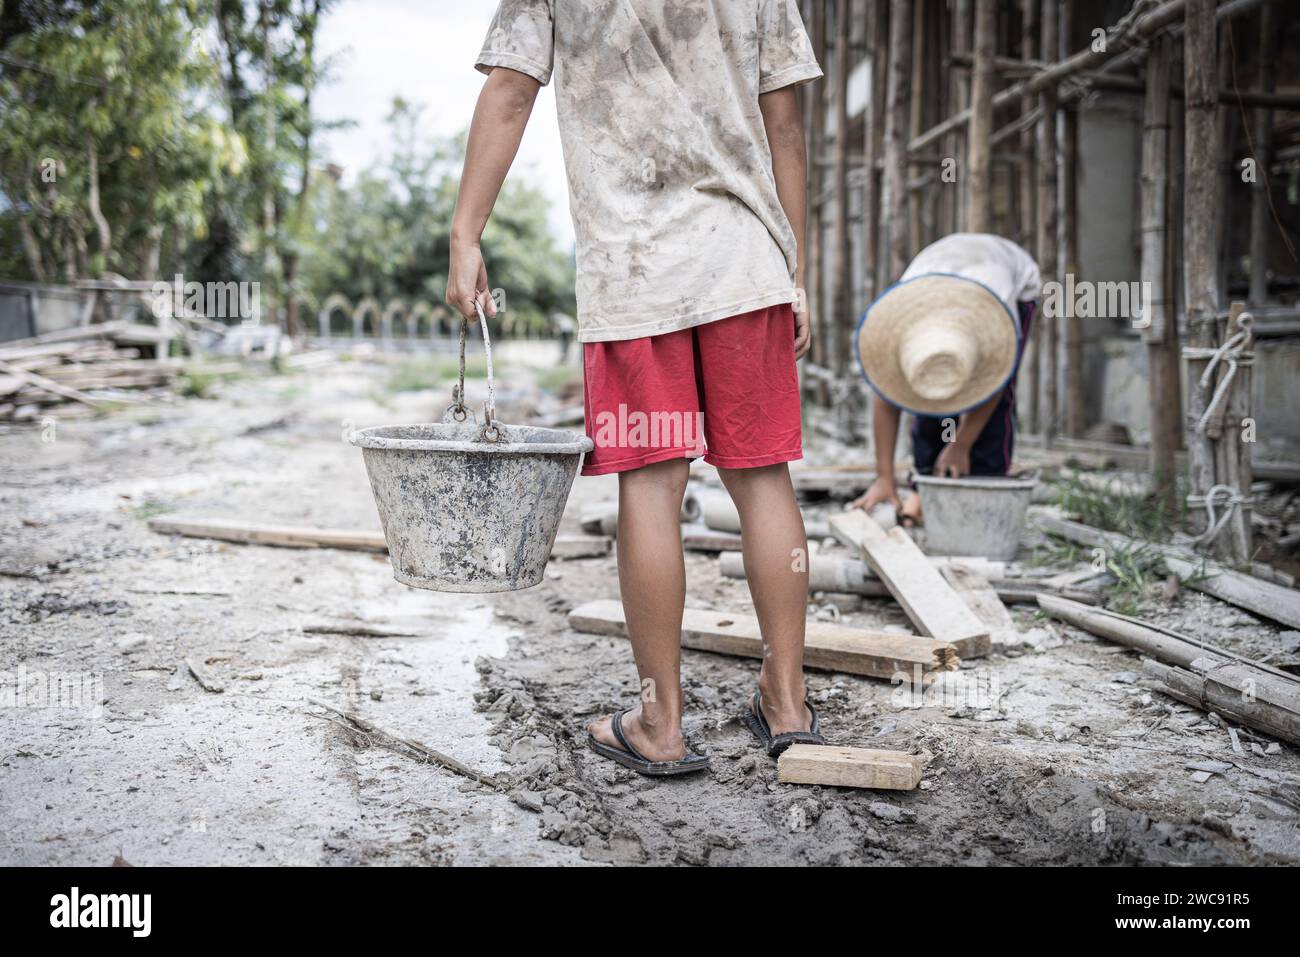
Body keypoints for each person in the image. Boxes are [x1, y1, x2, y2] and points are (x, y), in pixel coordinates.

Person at [446, 1, 826, 774]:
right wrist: (794, 270)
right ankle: (787, 702)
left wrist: (465, 232)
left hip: (635, 267)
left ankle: (660, 720)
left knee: (652, 485)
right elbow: (783, 122)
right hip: (745, 260)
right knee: (762, 479)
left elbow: (512, 90)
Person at [850, 233, 1041, 524]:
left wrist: (961, 445)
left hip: (1005, 276)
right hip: (940, 271)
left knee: (993, 408)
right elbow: (887, 398)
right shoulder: (900, 332)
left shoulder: (997, 317)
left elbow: (995, 385)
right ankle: (927, 488)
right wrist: (884, 478)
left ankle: (984, 487)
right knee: (929, 390)